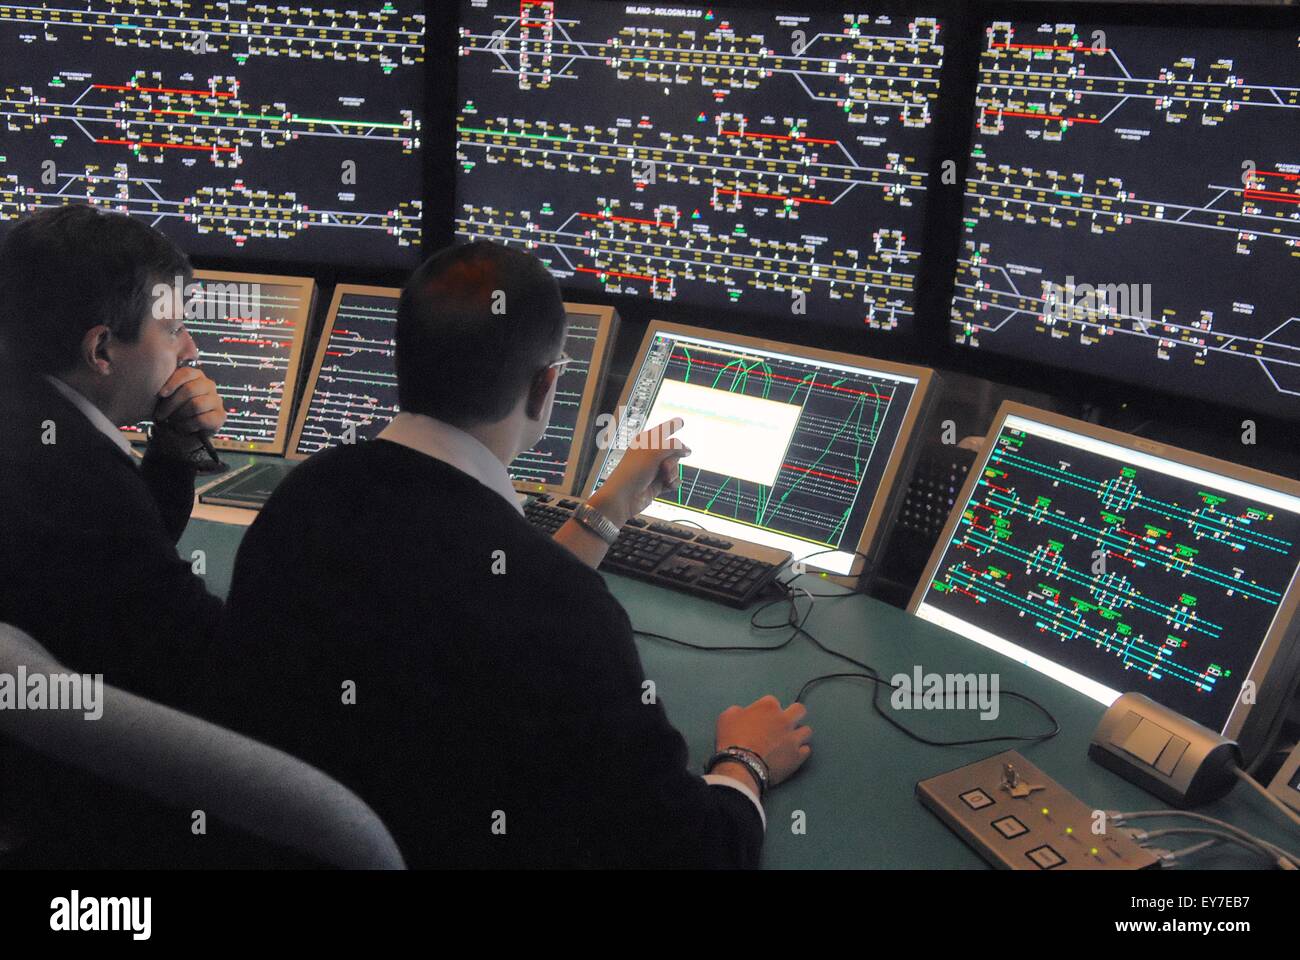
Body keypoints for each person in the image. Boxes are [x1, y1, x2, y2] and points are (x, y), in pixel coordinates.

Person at [212, 240, 812, 868]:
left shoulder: (302, 500)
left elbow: (467, 601)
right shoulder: (564, 612)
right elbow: (692, 853)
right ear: (546, 385)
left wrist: (605, 513)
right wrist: (744, 763)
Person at [0, 204, 227, 707]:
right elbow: (201, 652)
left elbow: (115, 575)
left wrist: (172, 451)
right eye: (172, 330)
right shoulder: (76, 473)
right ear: (101, 349)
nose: (189, 350)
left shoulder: (31, 421)